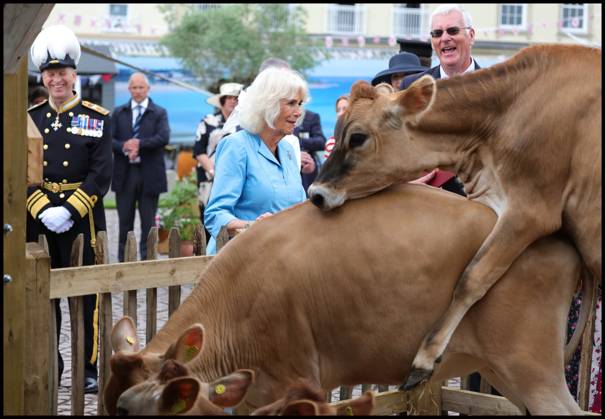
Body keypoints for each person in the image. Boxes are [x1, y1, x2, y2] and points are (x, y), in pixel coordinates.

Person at [27, 24, 112, 394]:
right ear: (43, 78)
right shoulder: (31, 117)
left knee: (86, 296)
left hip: (81, 220)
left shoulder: (97, 118)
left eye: (62, 73)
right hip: (40, 220)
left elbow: (101, 175)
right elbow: (20, 169)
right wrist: (41, 206)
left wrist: (71, 210)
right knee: (42, 295)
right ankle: (51, 363)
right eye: (50, 74)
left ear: (74, 75)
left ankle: (89, 367)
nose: (56, 79)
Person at [203, 66, 308, 255]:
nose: (299, 111)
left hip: (281, 260)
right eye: (292, 103)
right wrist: (252, 226)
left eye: (300, 103)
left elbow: (300, 209)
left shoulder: (288, 150)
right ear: (268, 104)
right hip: (240, 261)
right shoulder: (237, 146)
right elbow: (215, 216)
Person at [402, 3, 481, 197]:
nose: (445, 38)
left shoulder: (495, 88)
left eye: (453, 30)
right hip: (426, 201)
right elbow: (399, 145)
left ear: (471, 35)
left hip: (479, 204)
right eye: (437, 33)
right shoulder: (412, 87)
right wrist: (406, 181)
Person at [111, 72, 170, 261]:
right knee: (124, 223)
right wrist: (124, 147)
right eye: (134, 87)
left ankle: (147, 260)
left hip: (150, 176)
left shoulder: (159, 112)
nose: (137, 91)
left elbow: (163, 138)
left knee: (148, 223)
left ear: (148, 89)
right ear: (129, 89)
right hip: (125, 174)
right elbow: (108, 140)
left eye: (141, 87)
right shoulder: (119, 113)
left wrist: (139, 145)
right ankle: (124, 260)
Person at [193, 82, 243, 242]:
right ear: (221, 100)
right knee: (209, 216)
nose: (233, 101)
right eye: (229, 98)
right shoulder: (208, 121)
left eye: (237, 98)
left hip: (236, 176)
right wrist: (214, 172)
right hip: (209, 177)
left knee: (235, 217)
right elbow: (199, 151)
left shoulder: (245, 124)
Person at [324, 94, 349, 160]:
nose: (340, 113)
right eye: (338, 110)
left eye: (345, 109)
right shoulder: (331, 143)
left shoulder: (362, 142)